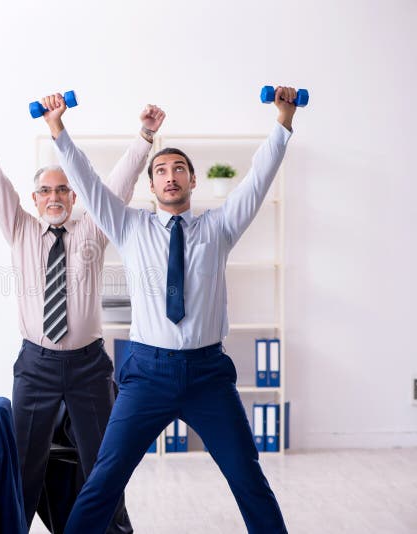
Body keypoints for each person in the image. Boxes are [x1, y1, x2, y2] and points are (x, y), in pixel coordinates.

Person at [38, 87, 298, 534]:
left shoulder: (219, 227)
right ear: (151, 184)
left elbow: (257, 179)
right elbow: (88, 184)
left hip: (207, 375)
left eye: (179, 169)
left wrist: (283, 121)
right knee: (105, 478)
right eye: (161, 170)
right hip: (147, 374)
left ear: (193, 182)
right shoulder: (130, 225)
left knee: (248, 479)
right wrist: (58, 129)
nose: (170, 175)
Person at [0, 104, 163, 532]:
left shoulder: (92, 229)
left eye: (63, 190)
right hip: (36, 367)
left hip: (89, 366)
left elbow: (117, 187)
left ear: (74, 196)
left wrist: (144, 137)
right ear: (35, 199)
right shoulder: (20, 229)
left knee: (104, 465)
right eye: (46, 191)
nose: (54, 197)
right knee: (24, 470)